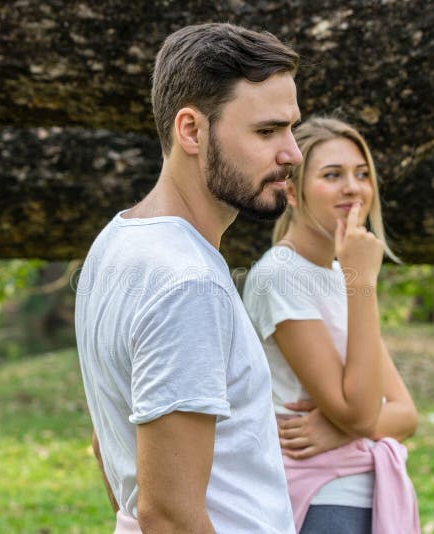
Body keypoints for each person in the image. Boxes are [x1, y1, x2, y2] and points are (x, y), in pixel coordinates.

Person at [74, 23, 303, 533]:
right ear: (191, 131)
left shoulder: (114, 243)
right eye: (267, 132)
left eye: (291, 128)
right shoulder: (186, 281)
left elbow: (108, 441)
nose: (293, 153)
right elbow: (171, 518)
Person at [243, 117, 421, 534]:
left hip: (365, 494)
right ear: (291, 191)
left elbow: (406, 413)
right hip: (319, 498)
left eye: (362, 174)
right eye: (332, 175)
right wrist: (362, 282)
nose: (353, 188)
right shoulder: (282, 275)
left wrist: (340, 429)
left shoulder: (340, 274)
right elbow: (361, 414)